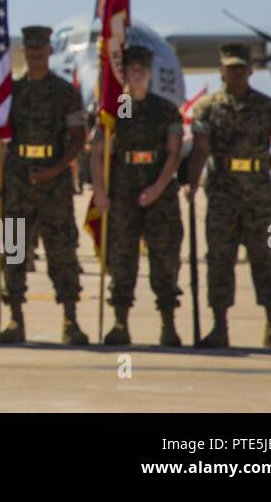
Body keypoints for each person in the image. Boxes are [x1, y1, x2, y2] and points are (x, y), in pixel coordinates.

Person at [188, 44, 271, 350]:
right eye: (230, 67)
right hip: (222, 197)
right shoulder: (206, 108)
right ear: (221, 70)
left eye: (241, 67)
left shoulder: (270, 108)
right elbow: (200, 148)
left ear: (250, 70)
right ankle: (219, 328)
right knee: (219, 260)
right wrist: (192, 183)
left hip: (261, 201)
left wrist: (261, 167)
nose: (235, 72)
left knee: (268, 259)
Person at [0, 26, 89, 346]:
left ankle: (70, 321)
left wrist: (56, 169)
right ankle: (15, 319)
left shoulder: (66, 93)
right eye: (30, 49)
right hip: (18, 179)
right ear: (24, 52)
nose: (35, 54)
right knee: (15, 250)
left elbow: (78, 138)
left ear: (50, 51)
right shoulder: (10, 93)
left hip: (55, 180)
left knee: (62, 250)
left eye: (41, 49)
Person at [89, 45, 183, 346]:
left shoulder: (165, 109)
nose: (138, 72)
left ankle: (168, 325)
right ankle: (120, 324)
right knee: (122, 259)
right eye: (133, 68)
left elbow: (174, 153)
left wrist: (157, 189)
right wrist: (100, 192)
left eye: (143, 67)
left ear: (150, 71)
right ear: (125, 72)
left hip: (160, 193)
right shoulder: (115, 110)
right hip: (123, 191)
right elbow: (99, 153)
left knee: (164, 259)